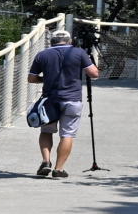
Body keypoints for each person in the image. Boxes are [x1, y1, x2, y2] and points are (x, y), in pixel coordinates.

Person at [30, 28, 97, 178]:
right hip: (72, 99)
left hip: (50, 100)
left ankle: (46, 162)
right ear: (70, 41)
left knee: (46, 131)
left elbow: (31, 78)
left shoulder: (43, 55)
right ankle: (58, 169)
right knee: (67, 134)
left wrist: (46, 79)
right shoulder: (79, 52)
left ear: (51, 42)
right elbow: (94, 74)